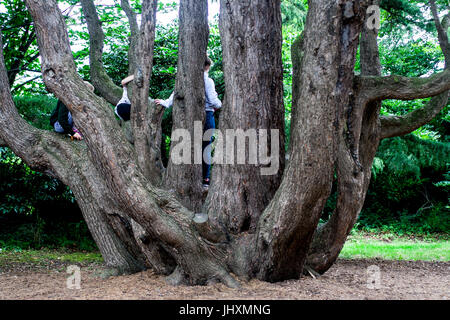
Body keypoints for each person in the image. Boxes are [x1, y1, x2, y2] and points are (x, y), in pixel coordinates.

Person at [155, 57, 222, 187]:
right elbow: (214, 101)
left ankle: (189, 179)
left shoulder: (186, 78)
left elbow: (175, 94)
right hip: (207, 115)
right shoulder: (207, 80)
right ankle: (205, 179)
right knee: (205, 148)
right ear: (207, 66)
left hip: (190, 115)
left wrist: (165, 102)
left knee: (190, 146)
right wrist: (220, 104)